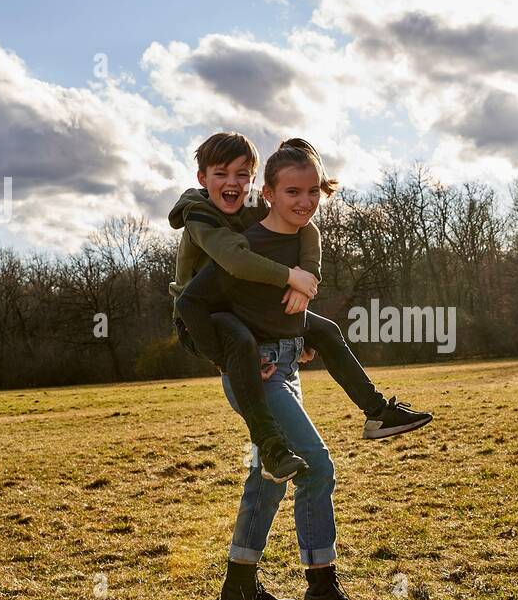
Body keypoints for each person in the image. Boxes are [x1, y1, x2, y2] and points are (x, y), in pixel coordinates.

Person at [168, 133, 431, 485]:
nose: (232, 183)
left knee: (324, 330)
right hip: (199, 318)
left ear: (255, 179)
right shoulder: (200, 215)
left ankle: (377, 412)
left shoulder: (252, 205)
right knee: (241, 342)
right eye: (221, 174)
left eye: (242, 174)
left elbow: (304, 226)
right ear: (202, 178)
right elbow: (235, 261)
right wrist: (289, 277)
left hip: (246, 309)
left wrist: (307, 279)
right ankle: (270, 445)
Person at [202, 140, 373, 600]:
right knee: (316, 467)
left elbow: (272, 310)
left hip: (288, 367)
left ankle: (238, 585)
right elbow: (198, 307)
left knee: (269, 476)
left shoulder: (300, 238)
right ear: (269, 193)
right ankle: (320, 592)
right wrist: (231, 355)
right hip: (256, 376)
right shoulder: (240, 246)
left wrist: (297, 338)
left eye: (313, 191)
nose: (304, 200)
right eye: (293, 191)